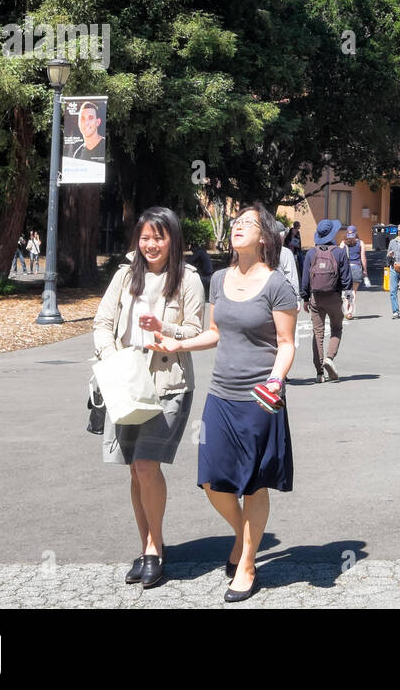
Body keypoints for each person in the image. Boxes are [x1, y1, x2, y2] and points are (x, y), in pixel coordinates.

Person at [148, 203, 298, 603]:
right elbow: (214, 331)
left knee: (254, 484)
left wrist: (276, 380)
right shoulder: (218, 279)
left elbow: (286, 343)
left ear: (264, 237)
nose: (238, 227)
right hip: (220, 395)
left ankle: (246, 564)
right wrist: (178, 344)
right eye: (236, 222)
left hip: (260, 398)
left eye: (248, 223)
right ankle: (244, 537)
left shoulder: (277, 285)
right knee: (212, 480)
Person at [92, 207, 204, 589]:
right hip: (125, 381)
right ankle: (147, 546)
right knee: (134, 470)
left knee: (146, 466)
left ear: (172, 239)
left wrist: (163, 327)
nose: (150, 244)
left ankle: (155, 548)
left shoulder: (187, 278)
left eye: (159, 237)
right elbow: (102, 322)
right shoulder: (125, 275)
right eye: (145, 237)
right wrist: (112, 358)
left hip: (167, 384)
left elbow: (194, 330)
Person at [300, 219, 351, 382]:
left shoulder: (311, 253)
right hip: (334, 296)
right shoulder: (339, 252)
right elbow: (346, 278)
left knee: (318, 333)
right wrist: (347, 297)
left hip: (316, 298)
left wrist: (305, 298)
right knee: (336, 328)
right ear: (332, 234)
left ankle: (319, 373)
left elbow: (305, 279)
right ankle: (329, 358)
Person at [341, 225, 367, 319]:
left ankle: (346, 310)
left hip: (346, 269)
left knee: (346, 291)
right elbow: (363, 257)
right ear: (356, 233)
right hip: (356, 267)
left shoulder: (343, 243)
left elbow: (338, 255)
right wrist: (365, 270)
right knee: (353, 292)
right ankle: (350, 312)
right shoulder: (360, 243)